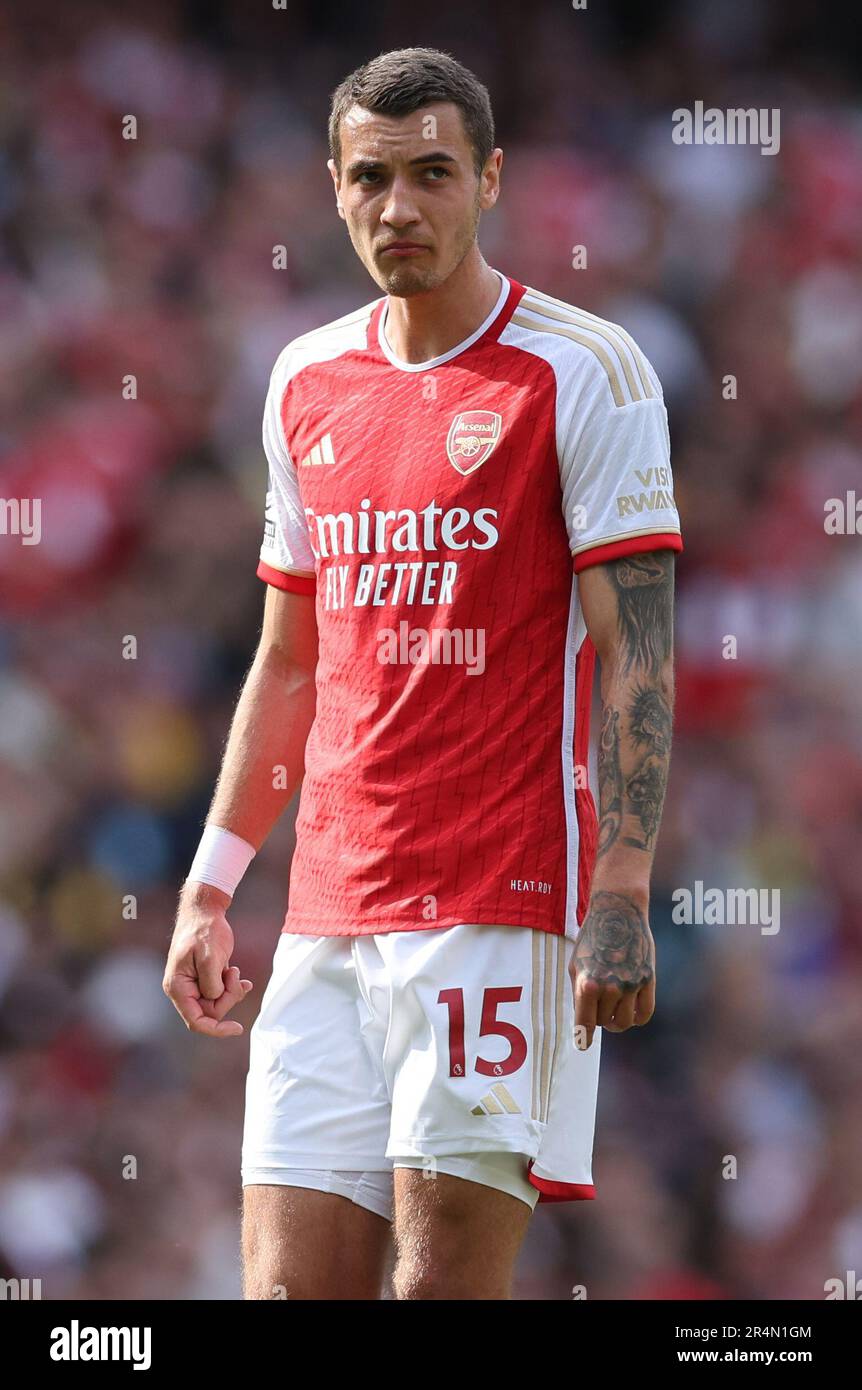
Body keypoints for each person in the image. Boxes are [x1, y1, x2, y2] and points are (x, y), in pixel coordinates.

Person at [163, 46, 682, 1301]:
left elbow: (638, 650)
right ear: (333, 189)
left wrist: (621, 878)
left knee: (437, 1290)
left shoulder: (582, 370)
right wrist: (212, 881)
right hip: (327, 912)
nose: (400, 206)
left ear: (489, 180)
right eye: (372, 177)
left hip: (500, 904)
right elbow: (291, 660)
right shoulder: (304, 380)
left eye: (433, 173)